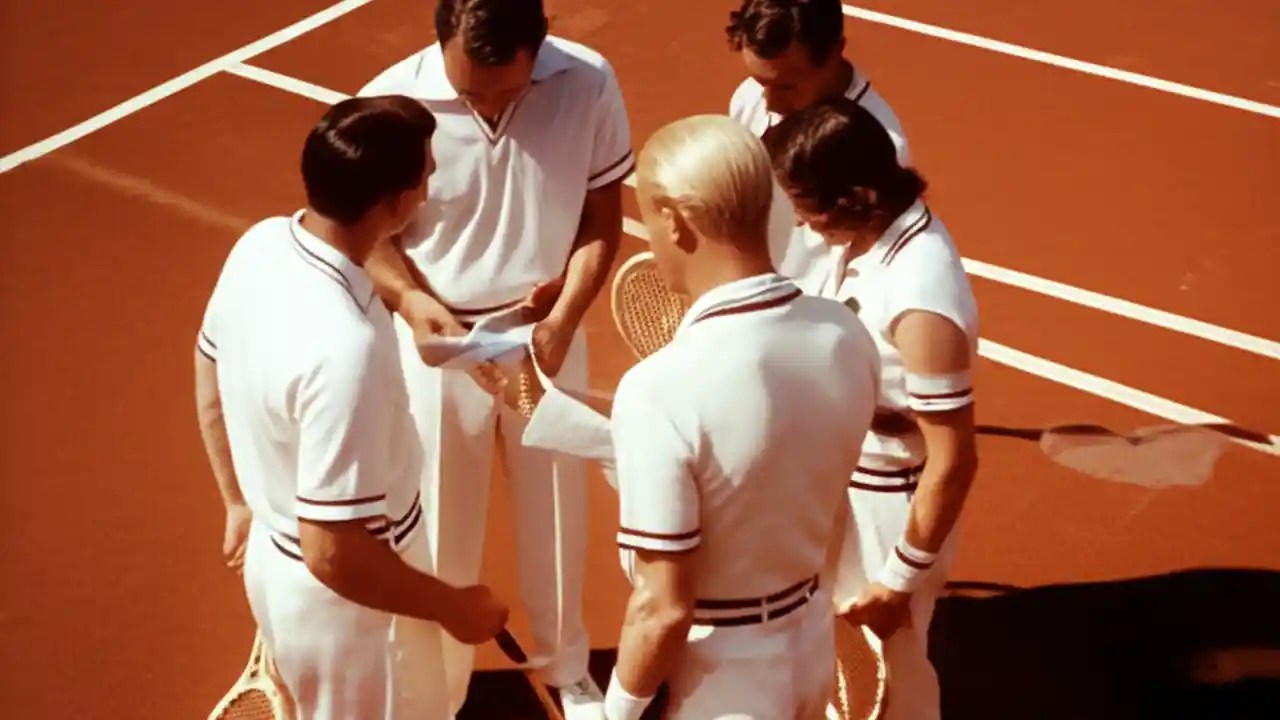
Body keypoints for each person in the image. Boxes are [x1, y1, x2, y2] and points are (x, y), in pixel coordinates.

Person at [192, 95, 508, 719]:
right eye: (424, 175)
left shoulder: (259, 246)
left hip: (279, 566)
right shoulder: (347, 350)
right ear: (393, 204)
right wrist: (455, 606)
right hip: (356, 613)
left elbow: (207, 373)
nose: (430, 184)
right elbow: (335, 552)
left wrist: (237, 502)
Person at [357, 0, 632, 715]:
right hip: (438, 348)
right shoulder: (388, 102)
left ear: (539, 52)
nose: (488, 103)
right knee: (440, 533)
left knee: (558, 521)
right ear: (441, 38)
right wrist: (413, 303)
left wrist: (567, 316)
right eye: (471, 90)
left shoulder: (589, 83)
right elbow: (372, 238)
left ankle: (567, 670)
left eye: (506, 90)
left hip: (543, 339)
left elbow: (604, 217)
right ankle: (437, 693)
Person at [602, 114, 881, 720]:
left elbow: (662, 607)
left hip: (724, 683)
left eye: (648, 216)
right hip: (809, 645)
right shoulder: (847, 335)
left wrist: (616, 711)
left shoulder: (657, 391)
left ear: (675, 221)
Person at [762, 96, 981, 720]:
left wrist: (900, 580)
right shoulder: (867, 240)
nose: (804, 227)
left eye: (808, 208)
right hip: (851, 487)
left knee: (894, 673)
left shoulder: (920, 298)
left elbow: (954, 460)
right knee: (842, 670)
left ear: (855, 194)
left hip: (893, 506)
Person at [725, 0, 910, 293]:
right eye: (760, 81)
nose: (770, 103)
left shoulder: (877, 152)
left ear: (834, 53)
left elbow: (869, 271)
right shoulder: (750, 98)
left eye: (788, 86)